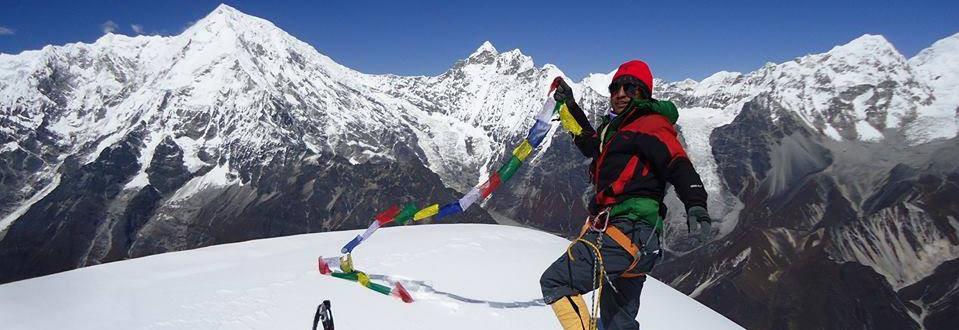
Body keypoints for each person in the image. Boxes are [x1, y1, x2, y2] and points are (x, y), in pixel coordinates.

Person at [540, 60, 713, 330]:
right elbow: (590, 143)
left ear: (643, 93)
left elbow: (675, 160)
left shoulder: (650, 123)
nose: (620, 93)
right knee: (618, 322)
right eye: (615, 88)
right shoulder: (617, 129)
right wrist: (570, 107)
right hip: (642, 243)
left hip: (625, 230)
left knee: (557, 281)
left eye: (630, 87)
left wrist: (695, 201)